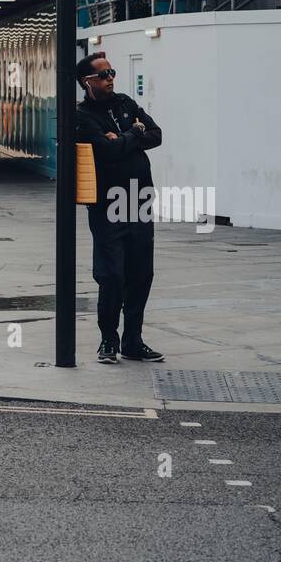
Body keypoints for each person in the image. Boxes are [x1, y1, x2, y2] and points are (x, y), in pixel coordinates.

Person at [76, 52, 165, 365]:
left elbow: (156, 135)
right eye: (103, 75)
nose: (110, 78)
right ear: (87, 82)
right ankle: (107, 340)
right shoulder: (83, 116)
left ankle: (133, 341)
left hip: (139, 201)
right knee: (111, 274)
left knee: (141, 274)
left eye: (111, 72)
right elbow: (105, 150)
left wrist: (127, 137)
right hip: (107, 204)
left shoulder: (126, 103)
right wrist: (135, 134)